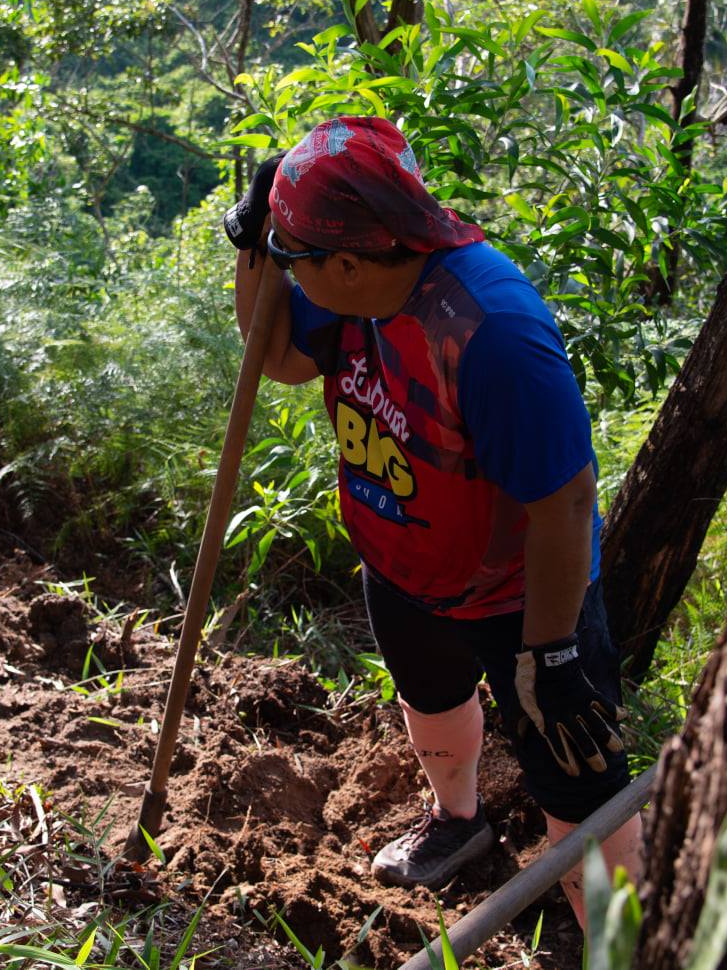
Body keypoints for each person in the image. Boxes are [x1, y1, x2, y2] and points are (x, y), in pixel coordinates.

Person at [225, 117, 642, 929]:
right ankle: (458, 821)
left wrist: (552, 655)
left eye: (292, 256)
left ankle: (620, 940)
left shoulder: (492, 333)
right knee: (430, 698)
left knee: (578, 783)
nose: (287, 271)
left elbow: (563, 503)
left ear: (346, 262)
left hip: (519, 600)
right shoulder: (351, 286)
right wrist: (258, 246)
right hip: (404, 561)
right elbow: (273, 359)